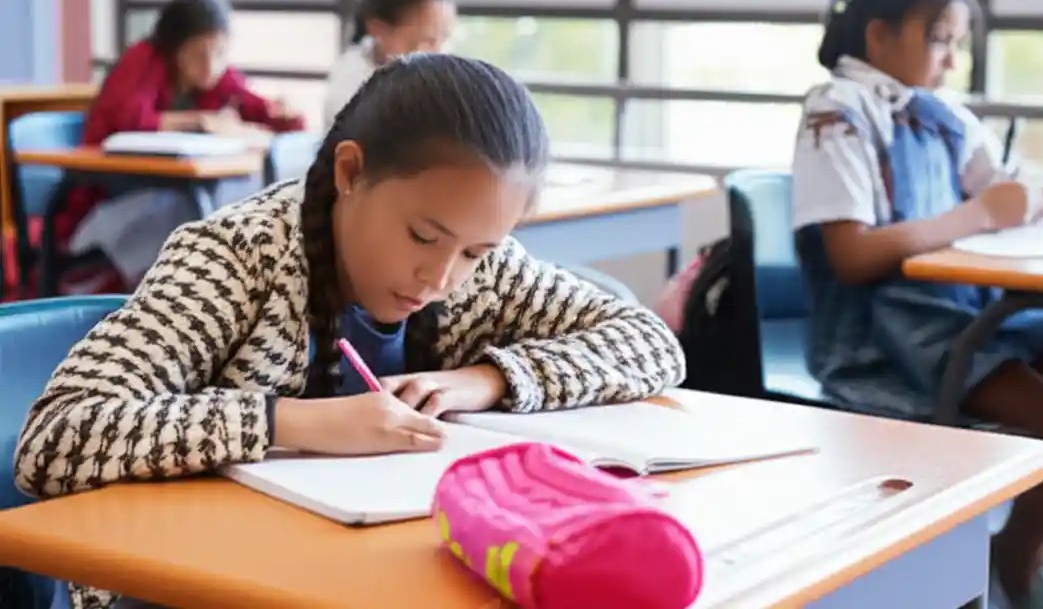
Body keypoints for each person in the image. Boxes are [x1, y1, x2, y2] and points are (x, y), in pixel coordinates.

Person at [17, 53, 685, 609]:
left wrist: (487, 379)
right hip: (191, 587)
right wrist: (297, 423)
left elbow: (650, 342)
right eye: (423, 236)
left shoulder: (482, 269)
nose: (442, 277)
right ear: (350, 173)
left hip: (374, 575)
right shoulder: (234, 258)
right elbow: (56, 437)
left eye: (476, 251)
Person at [790, 0, 1043, 609]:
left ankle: (1018, 548)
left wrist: (1039, 200)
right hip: (887, 334)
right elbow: (850, 256)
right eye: (940, 40)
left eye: (957, 43)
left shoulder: (943, 115)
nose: (952, 61)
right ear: (878, 37)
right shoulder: (838, 113)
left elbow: (1003, 184)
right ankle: (1017, 555)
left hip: (966, 311)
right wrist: (981, 214)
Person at [60, 0, 303, 293]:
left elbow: (257, 109)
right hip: (113, 189)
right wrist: (200, 121)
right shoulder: (142, 61)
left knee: (231, 196)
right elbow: (130, 119)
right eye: (199, 54)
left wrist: (283, 115)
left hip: (174, 187)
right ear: (175, 50)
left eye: (220, 53)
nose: (210, 65)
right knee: (189, 206)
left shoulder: (218, 78)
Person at [323, 0, 456, 128]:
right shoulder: (349, 91)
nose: (440, 53)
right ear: (378, 30)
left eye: (444, 39)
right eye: (427, 41)